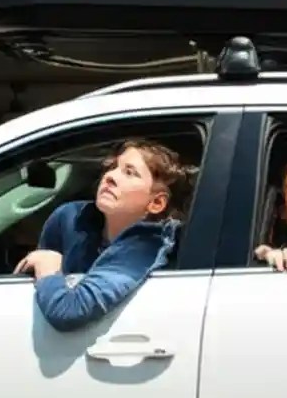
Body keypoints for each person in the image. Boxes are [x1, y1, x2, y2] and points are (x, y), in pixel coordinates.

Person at [14, 138, 195, 331]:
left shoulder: (147, 245)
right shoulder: (70, 217)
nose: (110, 176)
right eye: (113, 167)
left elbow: (69, 312)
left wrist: (48, 269)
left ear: (156, 203)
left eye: (129, 173)